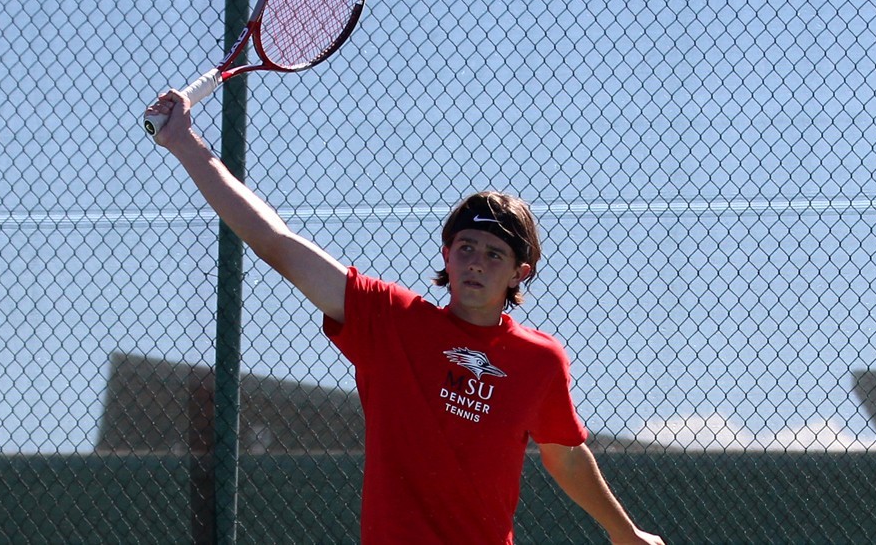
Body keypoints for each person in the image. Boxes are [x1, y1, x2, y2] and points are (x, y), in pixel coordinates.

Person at [146, 89, 664, 545]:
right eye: (465, 247)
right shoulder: (390, 319)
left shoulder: (540, 360)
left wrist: (624, 532)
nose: (475, 263)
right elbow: (275, 243)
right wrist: (187, 144)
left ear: (518, 273)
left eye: (493, 254)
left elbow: (566, 455)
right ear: (445, 253)